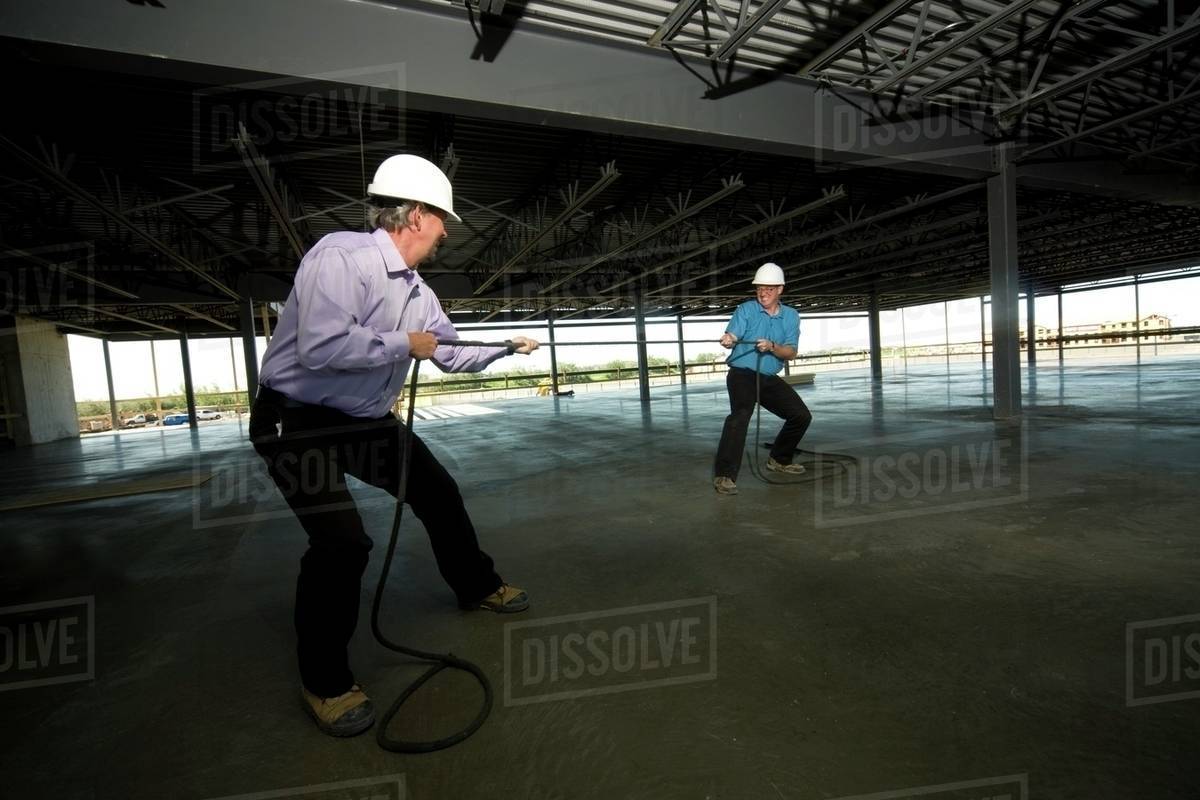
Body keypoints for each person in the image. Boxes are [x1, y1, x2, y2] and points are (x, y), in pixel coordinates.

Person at [248, 153, 539, 738]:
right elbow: (323, 347)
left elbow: (449, 351)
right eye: (442, 218)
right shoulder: (339, 257)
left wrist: (506, 348)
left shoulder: (418, 290)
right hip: (297, 421)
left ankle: (476, 585)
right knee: (342, 544)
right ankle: (325, 681)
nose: (446, 230)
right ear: (415, 217)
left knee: (437, 491)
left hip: (363, 420)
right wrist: (407, 342)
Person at [713, 262, 813, 495]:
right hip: (741, 374)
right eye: (759, 288)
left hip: (767, 376)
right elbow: (735, 332)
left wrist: (772, 347)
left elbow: (791, 351)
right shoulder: (746, 309)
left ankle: (779, 459)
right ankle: (725, 476)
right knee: (740, 415)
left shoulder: (791, 316)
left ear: (780, 289)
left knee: (800, 416)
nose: (762, 293)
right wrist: (729, 337)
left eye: (769, 288)